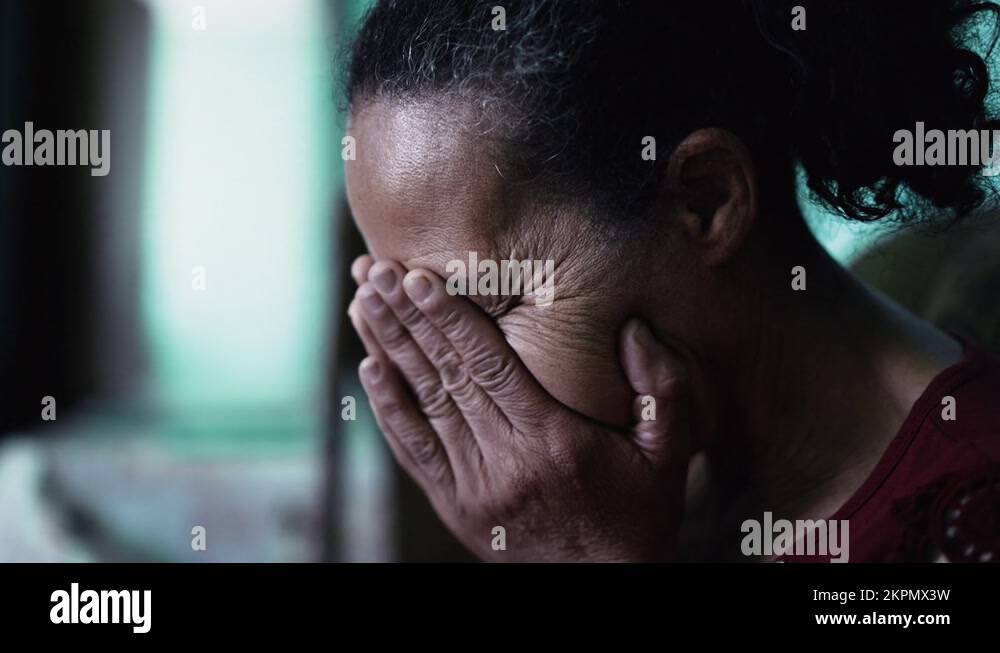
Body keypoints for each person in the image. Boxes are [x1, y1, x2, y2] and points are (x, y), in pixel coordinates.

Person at [342, 0, 1000, 561]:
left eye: (485, 306)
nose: (439, 368)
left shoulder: (965, 518)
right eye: (398, 311)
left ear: (706, 200)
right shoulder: (642, 486)